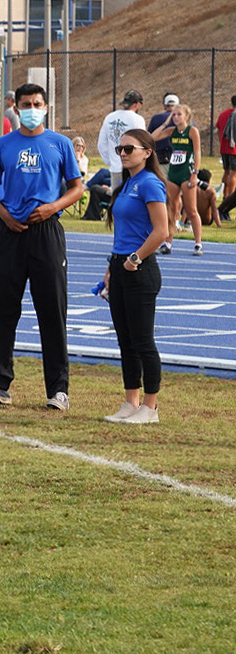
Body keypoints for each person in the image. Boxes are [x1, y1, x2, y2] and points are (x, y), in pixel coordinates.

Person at [0, 82, 83, 411]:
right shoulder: (2, 145)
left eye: (38, 102)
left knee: (52, 311)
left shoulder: (61, 144)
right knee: (4, 310)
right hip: (10, 232)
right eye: (26, 103)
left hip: (47, 232)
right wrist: (5, 216)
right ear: (16, 107)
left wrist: (53, 207)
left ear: (46, 107)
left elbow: (77, 188)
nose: (32, 107)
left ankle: (58, 390)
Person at [101, 129, 169, 424]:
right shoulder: (128, 184)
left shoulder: (151, 184)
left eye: (129, 148)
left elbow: (162, 232)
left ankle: (150, 408)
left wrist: (134, 259)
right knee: (125, 341)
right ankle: (131, 402)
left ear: (147, 152)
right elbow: (122, 233)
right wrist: (111, 268)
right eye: (120, 149)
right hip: (120, 267)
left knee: (143, 341)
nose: (124, 153)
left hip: (139, 270)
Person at [152, 103, 203, 256]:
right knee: (171, 208)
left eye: (179, 114)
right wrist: (165, 123)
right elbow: (152, 138)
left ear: (186, 116)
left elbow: (197, 152)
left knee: (191, 210)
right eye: (173, 114)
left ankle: (198, 243)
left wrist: (195, 173)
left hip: (187, 173)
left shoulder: (192, 131)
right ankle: (167, 243)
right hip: (173, 173)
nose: (175, 117)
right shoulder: (171, 131)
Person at [96, 90, 146, 189]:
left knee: (117, 198)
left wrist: (111, 161)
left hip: (115, 168)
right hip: (133, 167)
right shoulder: (138, 119)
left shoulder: (110, 117)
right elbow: (142, 143)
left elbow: (102, 144)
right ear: (136, 105)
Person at [217, 94, 236, 212]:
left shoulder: (223, 114)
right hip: (233, 148)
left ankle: (224, 193)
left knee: (226, 172)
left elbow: (219, 128)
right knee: (233, 174)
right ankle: (228, 197)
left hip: (224, 147)